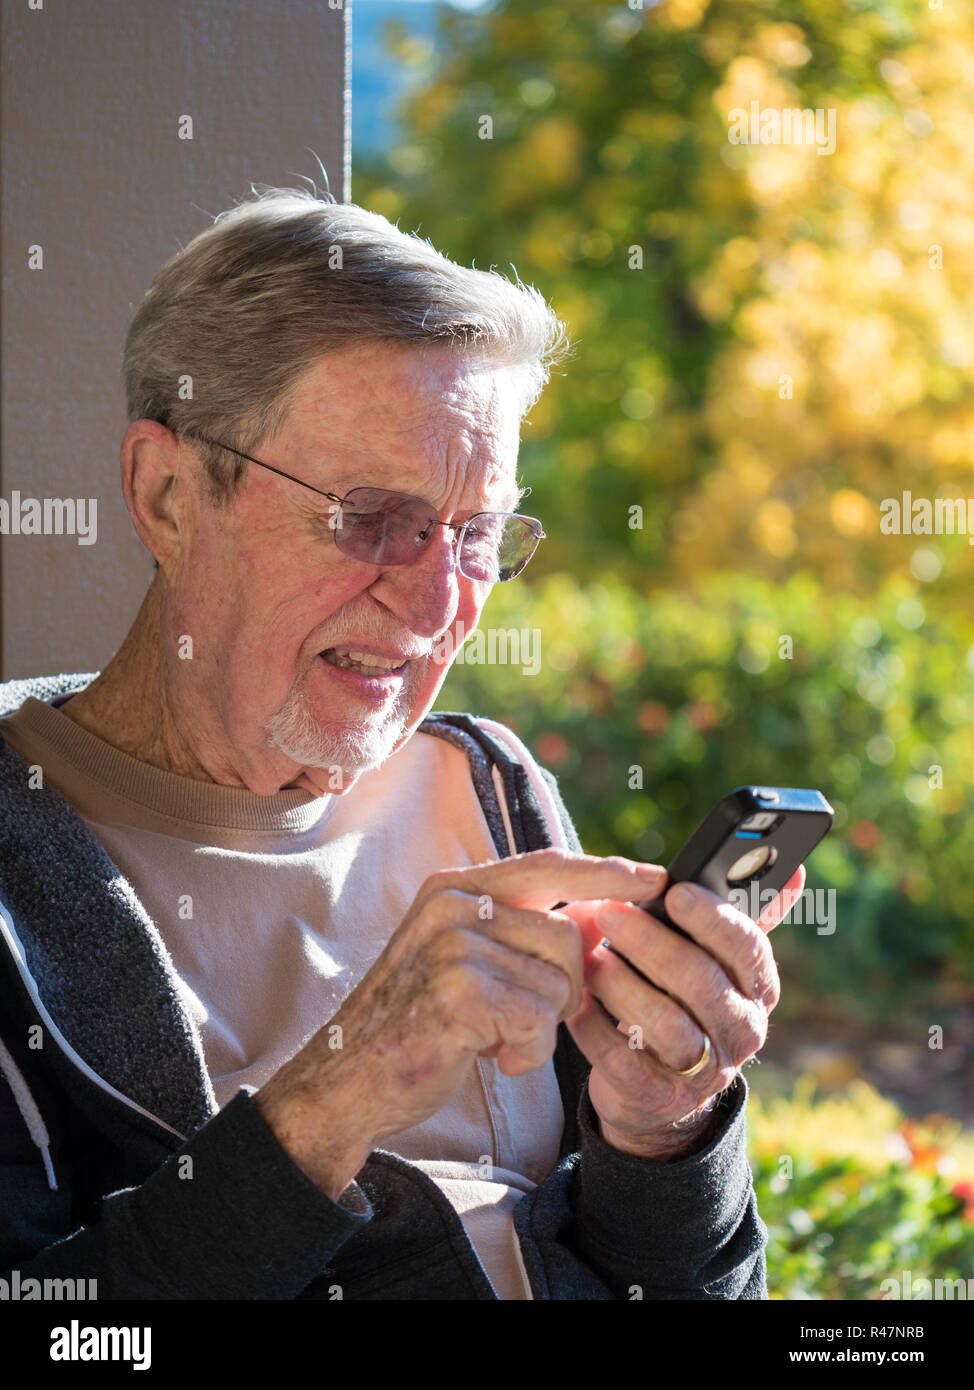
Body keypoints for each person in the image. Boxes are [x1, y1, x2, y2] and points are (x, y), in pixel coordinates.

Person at [0, 189, 795, 1300]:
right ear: (167, 494)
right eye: (370, 517)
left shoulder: (493, 786)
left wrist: (662, 1135)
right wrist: (338, 1093)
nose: (437, 599)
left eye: (475, 535)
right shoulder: (20, 861)